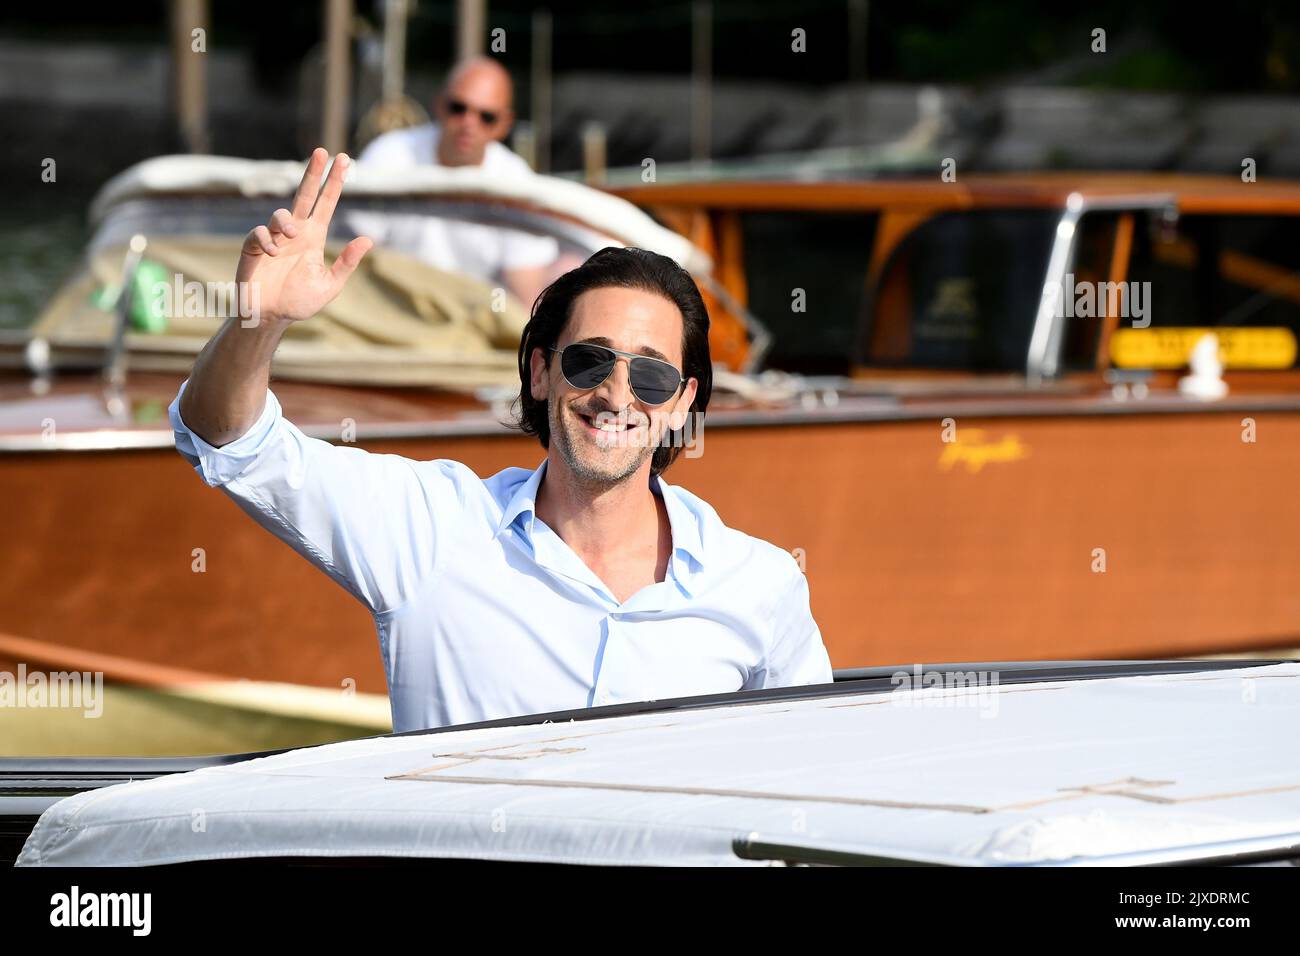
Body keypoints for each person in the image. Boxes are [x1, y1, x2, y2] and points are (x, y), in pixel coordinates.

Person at [169, 148, 833, 733]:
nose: (617, 393)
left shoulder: (758, 583)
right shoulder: (430, 530)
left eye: (652, 374)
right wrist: (259, 322)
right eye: (590, 360)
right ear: (542, 373)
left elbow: (809, 778)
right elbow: (233, 439)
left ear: (682, 403)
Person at [354, 56, 558, 309]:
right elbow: (356, 260)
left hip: (474, 327)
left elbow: (526, 292)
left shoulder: (516, 181)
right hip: (392, 312)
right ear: (440, 105)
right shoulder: (389, 155)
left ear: (504, 124)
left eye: (486, 116)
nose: (469, 124)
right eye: (458, 108)